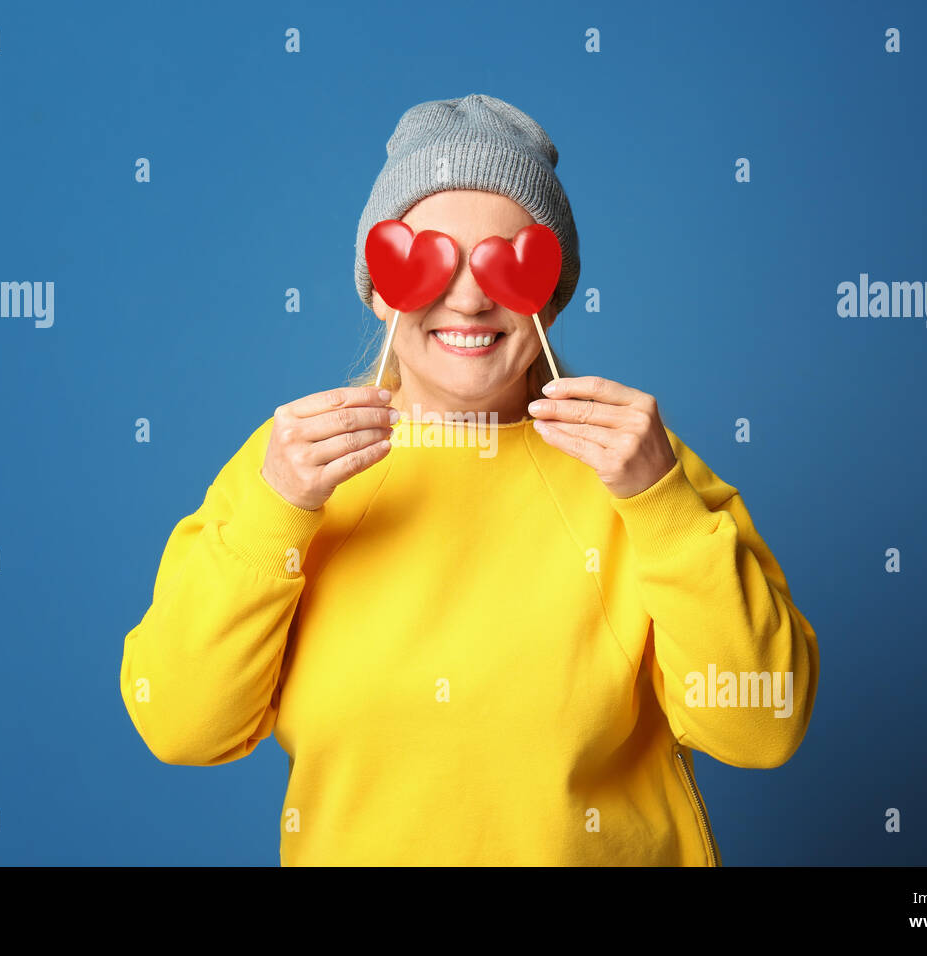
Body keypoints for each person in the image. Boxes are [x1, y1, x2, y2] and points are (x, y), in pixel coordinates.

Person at [119, 93, 820, 866]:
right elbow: (182, 726)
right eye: (427, 261)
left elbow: (762, 729)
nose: (468, 296)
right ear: (380, 289)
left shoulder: (640, 465)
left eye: (504, 263)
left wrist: (662, 506)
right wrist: (275, 515)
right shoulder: (290, 467)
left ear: (549, 296)